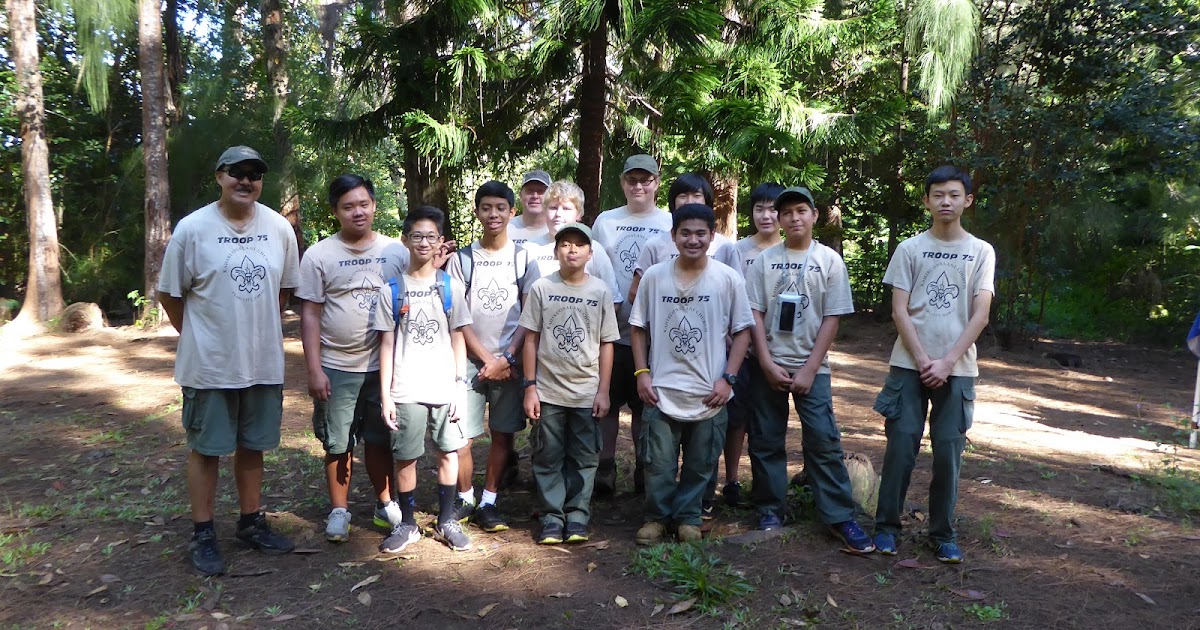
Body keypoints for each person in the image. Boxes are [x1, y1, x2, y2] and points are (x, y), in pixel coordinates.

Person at [156, 146, 300, 575]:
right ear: (219, 176)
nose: (246, 180)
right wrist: (201, 336)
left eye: (254, 173)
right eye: (236, 172)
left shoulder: (278, 227)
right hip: (209, 364)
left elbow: (284, 290)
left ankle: (251, 522)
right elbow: (169, 293)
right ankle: (203, 533)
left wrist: (252, 331)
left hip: (261, 361)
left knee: (253, 444)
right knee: (207, 449)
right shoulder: (193, 228)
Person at [871, 166, 995, 564]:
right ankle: (886, 528)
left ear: (967, 201)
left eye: (954, 195)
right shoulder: (910, 249)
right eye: (938, 194)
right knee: (901, 447)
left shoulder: (981, 251)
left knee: (948, 452)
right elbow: (899, 309)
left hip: (957, 369)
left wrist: (946, 362)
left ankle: (942, 533)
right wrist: (925, 360)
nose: (946, 201)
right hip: (909, 365)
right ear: (926, 200)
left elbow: (981, 315)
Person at [744, 187, 874, 553]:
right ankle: (770, 507)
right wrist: (766, 361)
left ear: (815, 215)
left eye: (802, 211)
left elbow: (832, 318)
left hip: (812, 368)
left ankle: (837, 515)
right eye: (787, 213)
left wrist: (809, 368)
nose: (794, 218)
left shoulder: (829, 260)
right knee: (766, 438)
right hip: (768, 365)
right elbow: (753, 313)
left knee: (822, 439)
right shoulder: (764, 262)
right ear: (780, 220)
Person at [630, 204, 754, 545]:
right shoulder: (655, 276)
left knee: (701, 462)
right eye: (685, 233)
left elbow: (743, 330)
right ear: (673, 236)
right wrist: (642, 372)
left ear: (712, 237)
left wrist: (728, 378)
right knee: (658, 462)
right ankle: (657, 518)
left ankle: (688, 517)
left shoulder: (727, 279)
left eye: (701, 233)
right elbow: (638, 327)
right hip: (661, 388)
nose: (693, 240)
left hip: (709, 391)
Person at [298, 175, 407, 543]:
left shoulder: (396, 251)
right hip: (336, 365)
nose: (357, 212)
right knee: (337, 441)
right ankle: (339, 510)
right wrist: (314, 368)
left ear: (374, 206)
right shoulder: (319, 255)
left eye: (363, 204)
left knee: (379, 438)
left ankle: (385, 504)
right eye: (348, 206)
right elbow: (310, 313)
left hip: (383, 366)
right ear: (335, 212)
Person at [373, 205, 474, 553]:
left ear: (440, 241)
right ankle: (407, 523)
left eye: (431, 236)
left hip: (444, 385)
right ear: (405, 239)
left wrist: (460, 387)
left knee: (448, 452)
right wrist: (386, 395)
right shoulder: (392, 290)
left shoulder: (450, 287)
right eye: (417, 235)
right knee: (406, 457)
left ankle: (447, 520)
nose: (424, 242)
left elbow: (459, 337)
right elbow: (386, 343)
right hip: (405, 386)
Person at [446, 181, 540, 532]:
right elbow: (459, 316)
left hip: (511, 364)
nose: (494, 214)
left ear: (512, 212)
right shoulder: (463, 260)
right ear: (477, 212)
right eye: (486, 207)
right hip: (470, 362)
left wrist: (507, 358)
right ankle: (465, 496)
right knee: (462, 436)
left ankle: (490, 500)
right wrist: (487, 359)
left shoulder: (523, 257)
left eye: (501, 207)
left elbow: (530, 315)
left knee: (503, 433)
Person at [519, 222, 619, 544]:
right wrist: (530, 387)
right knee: (547, 455)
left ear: (591, 253)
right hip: (548, 390)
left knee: (585, 456)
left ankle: (577, 515)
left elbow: (606, 343)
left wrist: (603, 390)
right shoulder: (541, 288)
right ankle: (551, 516)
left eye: (579, 244)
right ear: (555, 251)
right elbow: (531, 340)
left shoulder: (600, 290)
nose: (572, 249)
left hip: (586, 391)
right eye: (565, 244)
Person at [590, 154, 672, 496]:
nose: (639, 186)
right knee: (608, 402)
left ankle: (644, 468)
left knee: (644, 405)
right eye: (632, 180)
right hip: (609, 331)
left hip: (653, 334)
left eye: (646, 179)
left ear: (657, 183)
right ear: (622, 183)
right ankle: (605, 468)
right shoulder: (606, 221)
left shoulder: (669, 222)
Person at [626, 172, 740, 303]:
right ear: (673, 202)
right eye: (683, 196)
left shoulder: (724, 247)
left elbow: (738, 293)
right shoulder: (655, 245)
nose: (689, 201)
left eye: (697, 196)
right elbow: (635, 293)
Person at [523, 180, 621, 303]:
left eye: (566, 209)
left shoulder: (594, 249)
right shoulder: (529, 249)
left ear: (579, 214)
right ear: (544, 210)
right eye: (553, 208)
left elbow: (613, 300)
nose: (558, 214)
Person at [507, 169, 553, 248]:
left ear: (550, 196)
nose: (535, 196)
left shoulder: (557, 228)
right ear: (520, 195)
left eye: (540, 191)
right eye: (529, 191)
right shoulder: (506, 228)